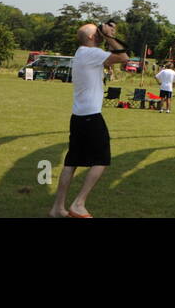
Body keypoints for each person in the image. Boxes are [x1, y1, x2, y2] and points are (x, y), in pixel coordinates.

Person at [49, 22, 127, 217]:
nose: (100, 34)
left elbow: (113, 60)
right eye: (98, 32)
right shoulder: (91, 53)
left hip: (78, 117)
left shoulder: (81, 53)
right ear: (92, 37)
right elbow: (124, 57)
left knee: (71, 162)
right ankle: (79, 203)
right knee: (102, 159)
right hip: (91, 116)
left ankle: (57, 208)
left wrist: (108, 37)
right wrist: (109, 36)